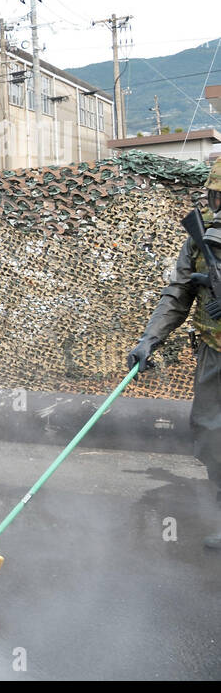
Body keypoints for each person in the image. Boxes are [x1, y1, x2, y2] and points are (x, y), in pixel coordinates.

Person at [128, 163, 221, 548]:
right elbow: (177, 294)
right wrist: (150, 339)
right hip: (215, 352)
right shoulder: (200, 242)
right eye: (217, 196)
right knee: (210, 432)